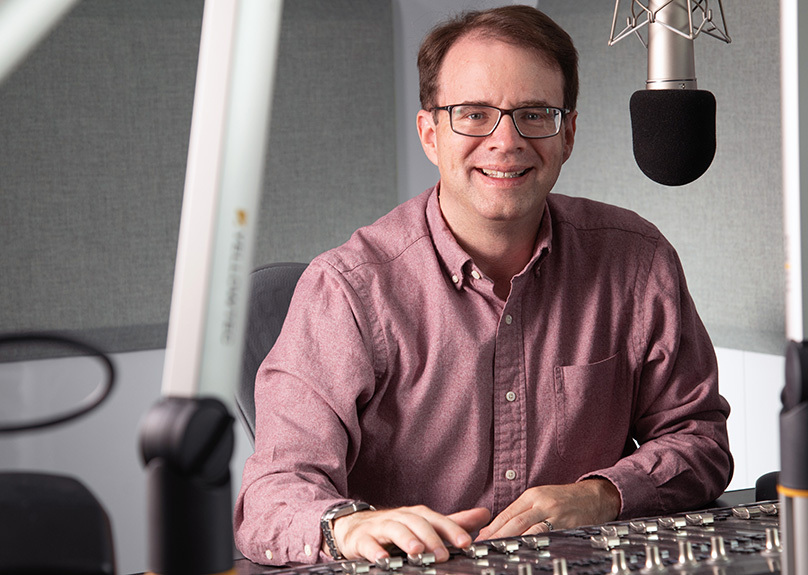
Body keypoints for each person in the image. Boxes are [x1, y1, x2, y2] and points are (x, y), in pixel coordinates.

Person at [234, 5, 732, 566]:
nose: (506, 141)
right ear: (430, 133)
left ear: (567, 134)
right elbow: (272, 498)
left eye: (535, 114)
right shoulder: (347, 290)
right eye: (474, 114)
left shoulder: (636, 261)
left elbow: (700, 441)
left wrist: (602, 495)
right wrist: (345, 528)